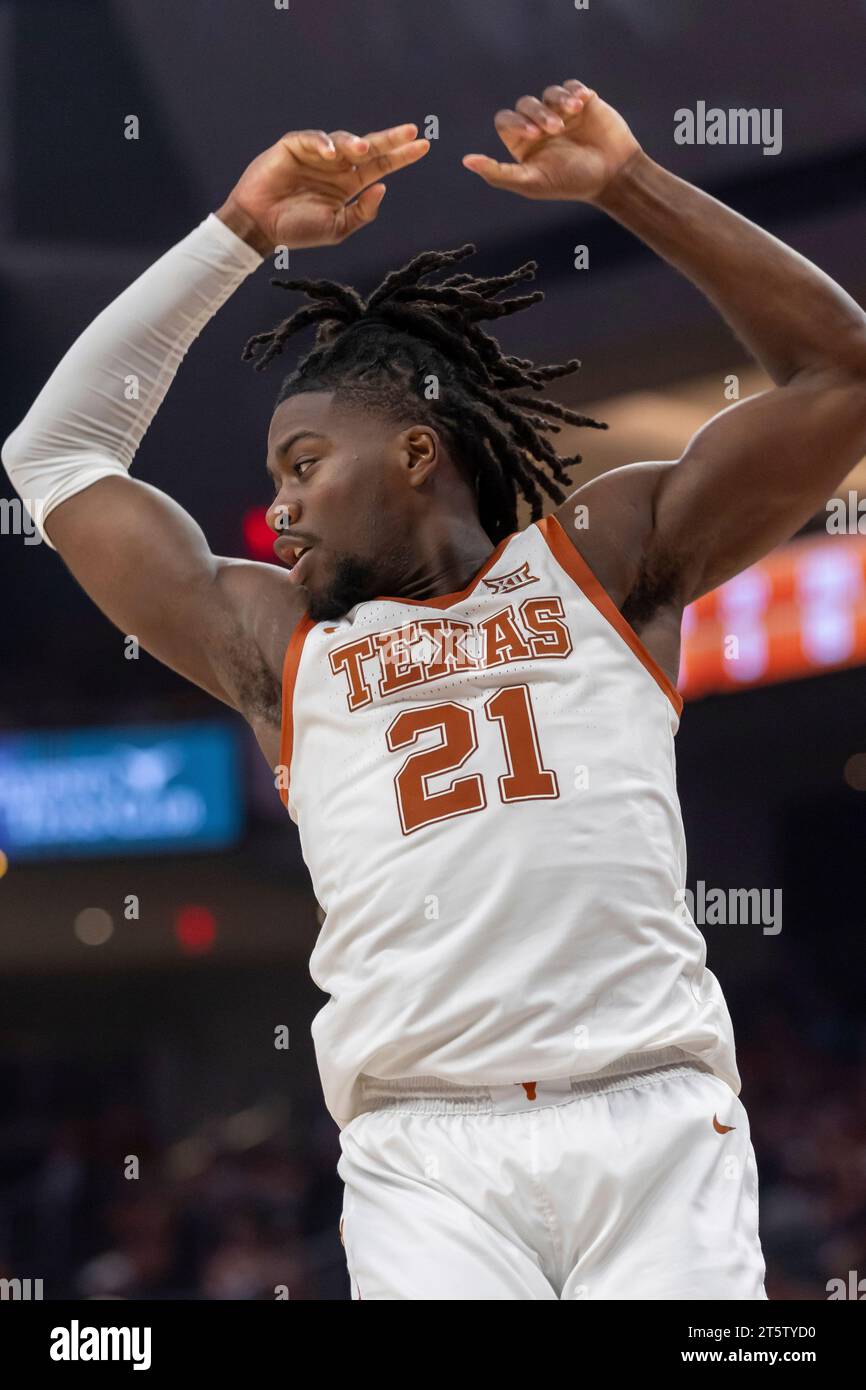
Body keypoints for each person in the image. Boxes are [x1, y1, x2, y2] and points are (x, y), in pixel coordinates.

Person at [6, 79, 866, 1300]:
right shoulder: (279, 641)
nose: (283, 506)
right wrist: (237, 233)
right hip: (424, 1160)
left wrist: (629, 183)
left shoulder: (601, 559)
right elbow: (54, 454)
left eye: (302, 464)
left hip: (655, 1124)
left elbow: (838, 373)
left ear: (416, 450)